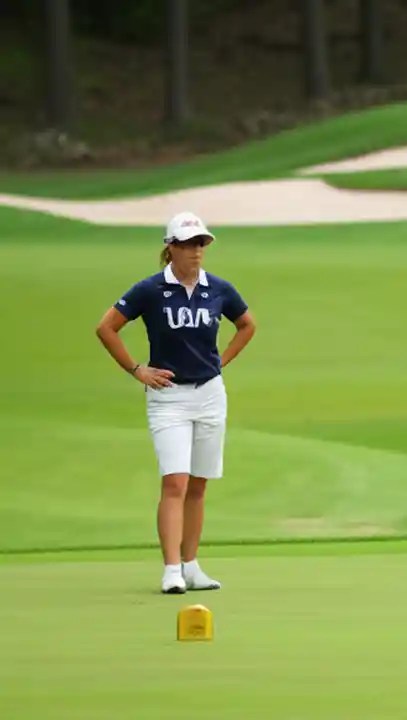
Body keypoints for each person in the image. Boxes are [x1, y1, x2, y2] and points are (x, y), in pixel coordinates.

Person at [95, 211, 256, 594]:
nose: (196, 251)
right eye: (187, 244)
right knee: (175, 483)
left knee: (198, 485)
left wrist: (222, 361)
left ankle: (192, 565)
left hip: (210, 395)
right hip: (168, 398)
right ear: (171, 248)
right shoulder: (150, 290)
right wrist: (137, 370)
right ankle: (171, 570)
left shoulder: (218, 289)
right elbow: (106, 327)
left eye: (201, 243)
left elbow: (247, 324)